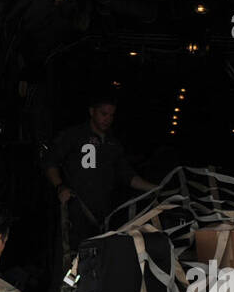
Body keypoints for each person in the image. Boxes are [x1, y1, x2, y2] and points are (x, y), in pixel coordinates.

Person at [42, 93, 157, 246]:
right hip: (74, 213)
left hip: (103, 218)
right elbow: (50, 162)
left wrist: (155, 188)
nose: (107, 119)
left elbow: (129, 176)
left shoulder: (113, 144)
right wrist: (59, 186)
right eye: (103, 114)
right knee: (68, 260)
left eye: (111, 115)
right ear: (92, 112)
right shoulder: (73, 136)